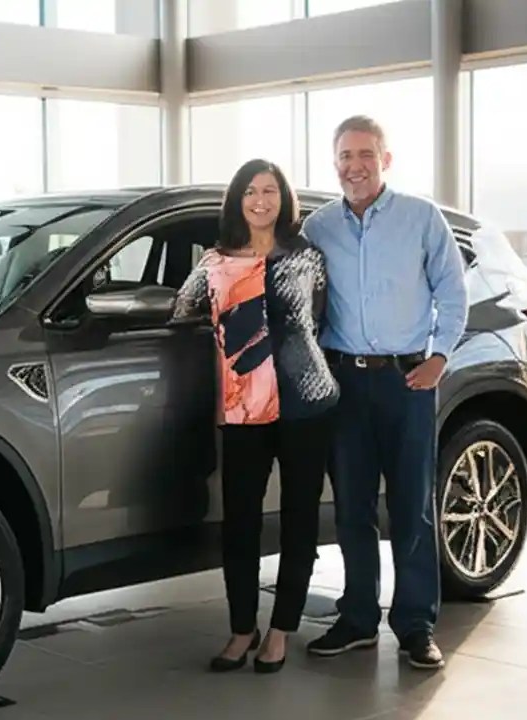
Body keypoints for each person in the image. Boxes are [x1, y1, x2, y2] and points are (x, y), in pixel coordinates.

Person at [301, 115, 467, 670]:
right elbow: (292, 285)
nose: (355, 166)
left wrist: (440, 356)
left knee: (412, 508)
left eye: (365, 154)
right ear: (335, 162)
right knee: (352, 507)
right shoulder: (318, 227)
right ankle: (357, 620)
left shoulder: (422, 218)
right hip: (345, 382)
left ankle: (416, 626)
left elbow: (452, 289)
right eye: (345, 155)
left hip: (408, 380)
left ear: (386, 159)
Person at [173, 158, 339, 675]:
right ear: (237, 200)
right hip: (244, 405)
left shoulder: (307, 256)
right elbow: (181, 311)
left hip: (306, 400)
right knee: (239, 523)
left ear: (283, 199)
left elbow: (322, 317)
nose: (260, 200)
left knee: (299, 519)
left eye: (270, 190)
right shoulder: (216, 262)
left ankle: (281, 629)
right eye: (250, 191)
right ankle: (242, 628)